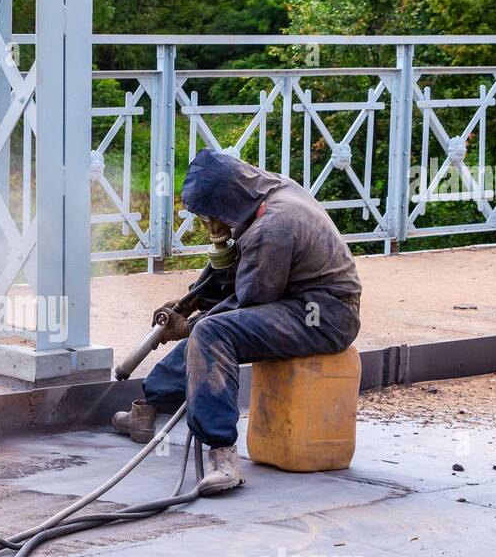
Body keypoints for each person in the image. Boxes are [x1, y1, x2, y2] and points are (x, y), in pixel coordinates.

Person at [113, 149, 362, 494]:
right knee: (208, 327)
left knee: (212, 332)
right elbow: (241, 268)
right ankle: (149, 409)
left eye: (213, 217)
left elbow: (251, 297)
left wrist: (188, 326)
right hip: (293, 296)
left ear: (228, 201)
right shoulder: (268, 192)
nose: (212, 227)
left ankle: (223, 455)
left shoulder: (275, 223)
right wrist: (194, 299)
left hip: (325, 315)